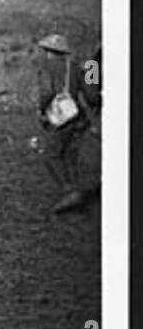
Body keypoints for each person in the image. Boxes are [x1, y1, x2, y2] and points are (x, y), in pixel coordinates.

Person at [35, 33, 98, 213]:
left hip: (60, 119)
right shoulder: (76, 68)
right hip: (77, 117)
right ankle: (78, 192)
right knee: (70, 155)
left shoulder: (46, 68)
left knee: (51, 155)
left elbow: (46, 92)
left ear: (48, 51)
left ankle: (70, 191)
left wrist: (42, 110)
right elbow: (91, 96)